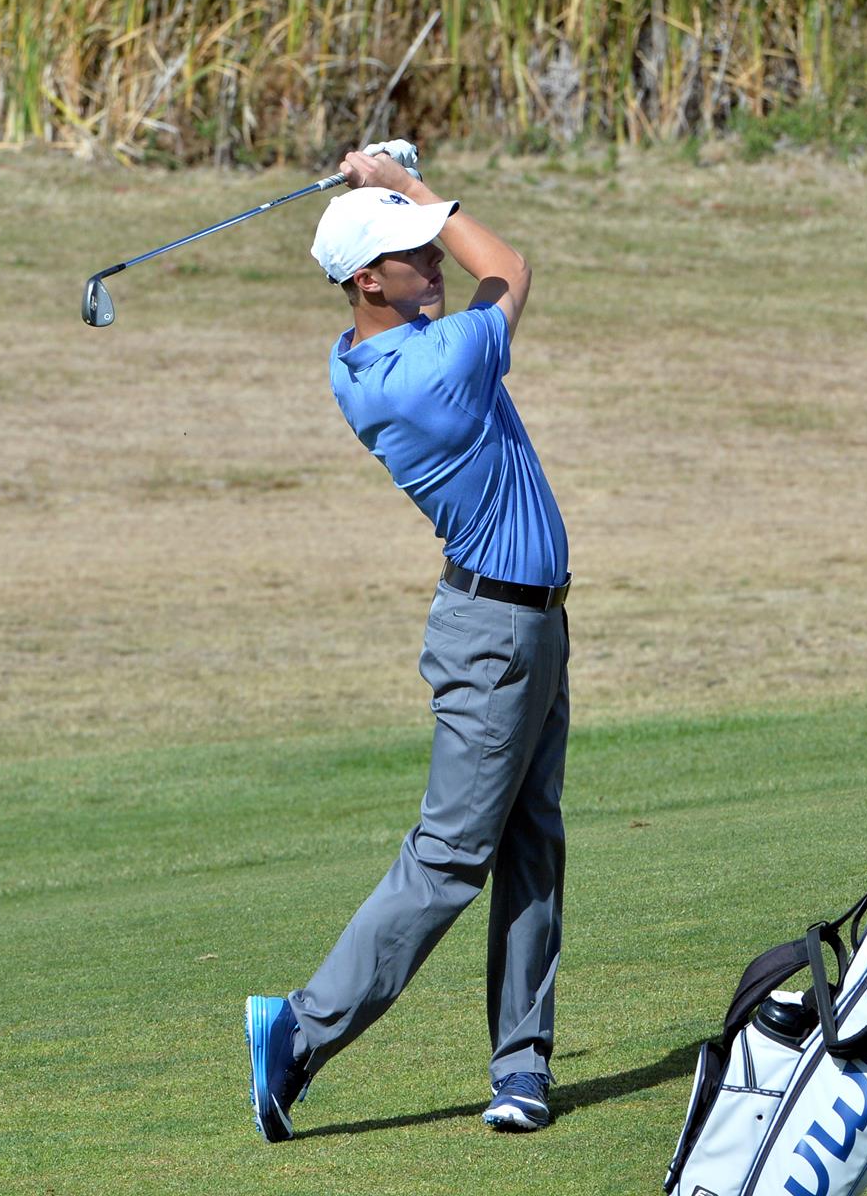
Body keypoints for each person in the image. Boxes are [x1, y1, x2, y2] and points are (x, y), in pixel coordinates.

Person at [246, 147, 572, 1141]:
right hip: (496, 635)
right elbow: (511, 266)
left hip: (529, 623)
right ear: (365, 280)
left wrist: (382, 189)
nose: (429, 255)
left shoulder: (377, 347)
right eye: (405, 251)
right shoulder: (431, 369)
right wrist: (413, 187)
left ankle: (520, 1064)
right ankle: (298, 1030)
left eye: (423, 245)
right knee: (449, 857)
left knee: (531, 842)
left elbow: (456, 271)